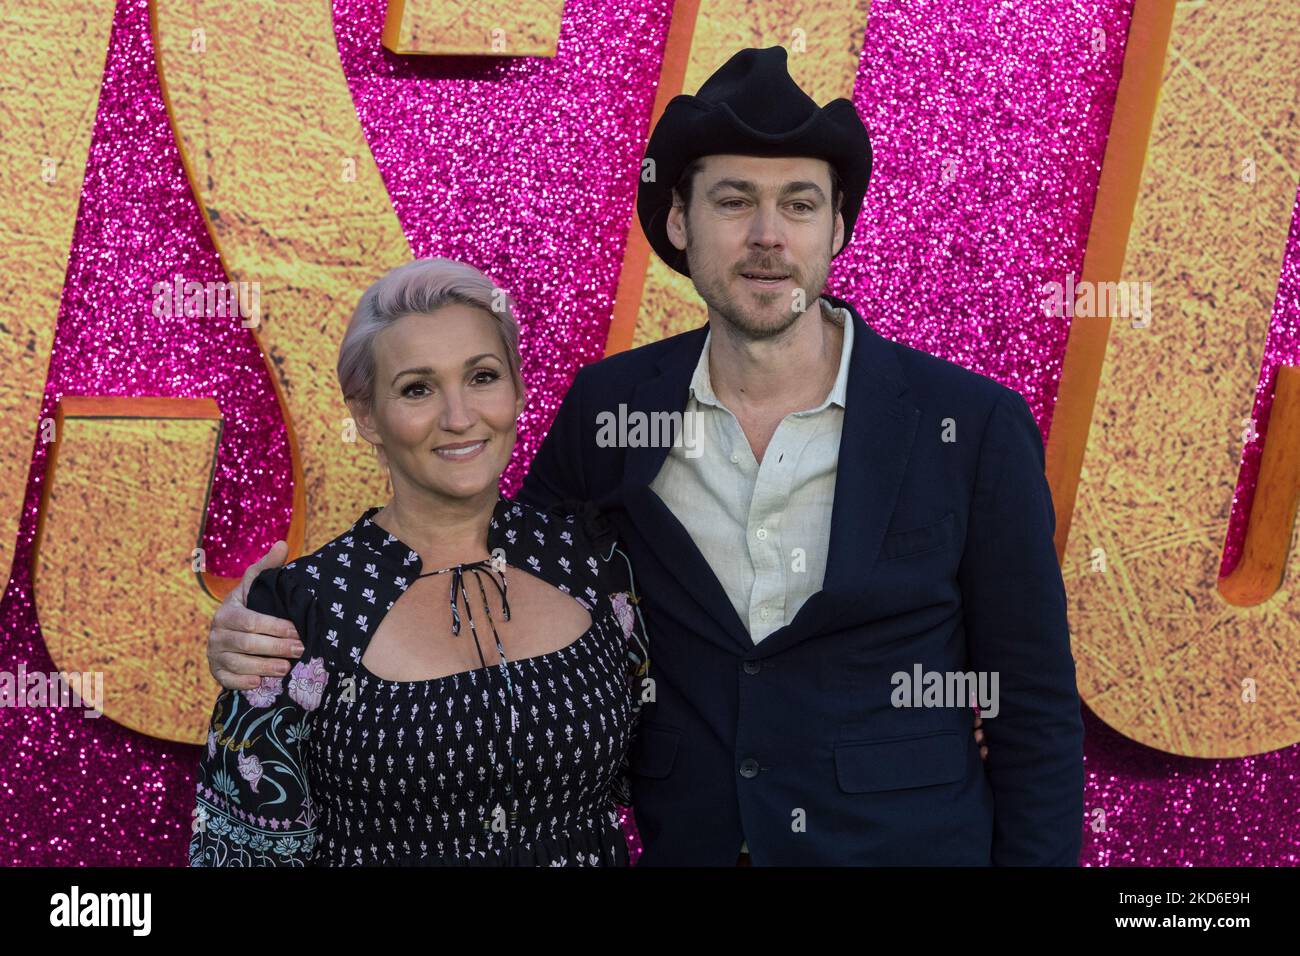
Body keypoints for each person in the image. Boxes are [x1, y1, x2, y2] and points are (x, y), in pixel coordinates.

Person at [207, 46, 1079, 866]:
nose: (769, 236)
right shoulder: (614, 408)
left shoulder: (970, 425)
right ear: (679, 221)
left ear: (838, 226)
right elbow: (489, 547)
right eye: (734, 201)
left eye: (801, 204)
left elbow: (1032, 708)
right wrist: (261, 628)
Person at [189, 258, 646, 866]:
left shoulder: (590, 558)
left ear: (518, 389)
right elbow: (240, 854)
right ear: (366, 415)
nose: (459, 418)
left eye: (482, 376)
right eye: (417, 388)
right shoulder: (302, 609)